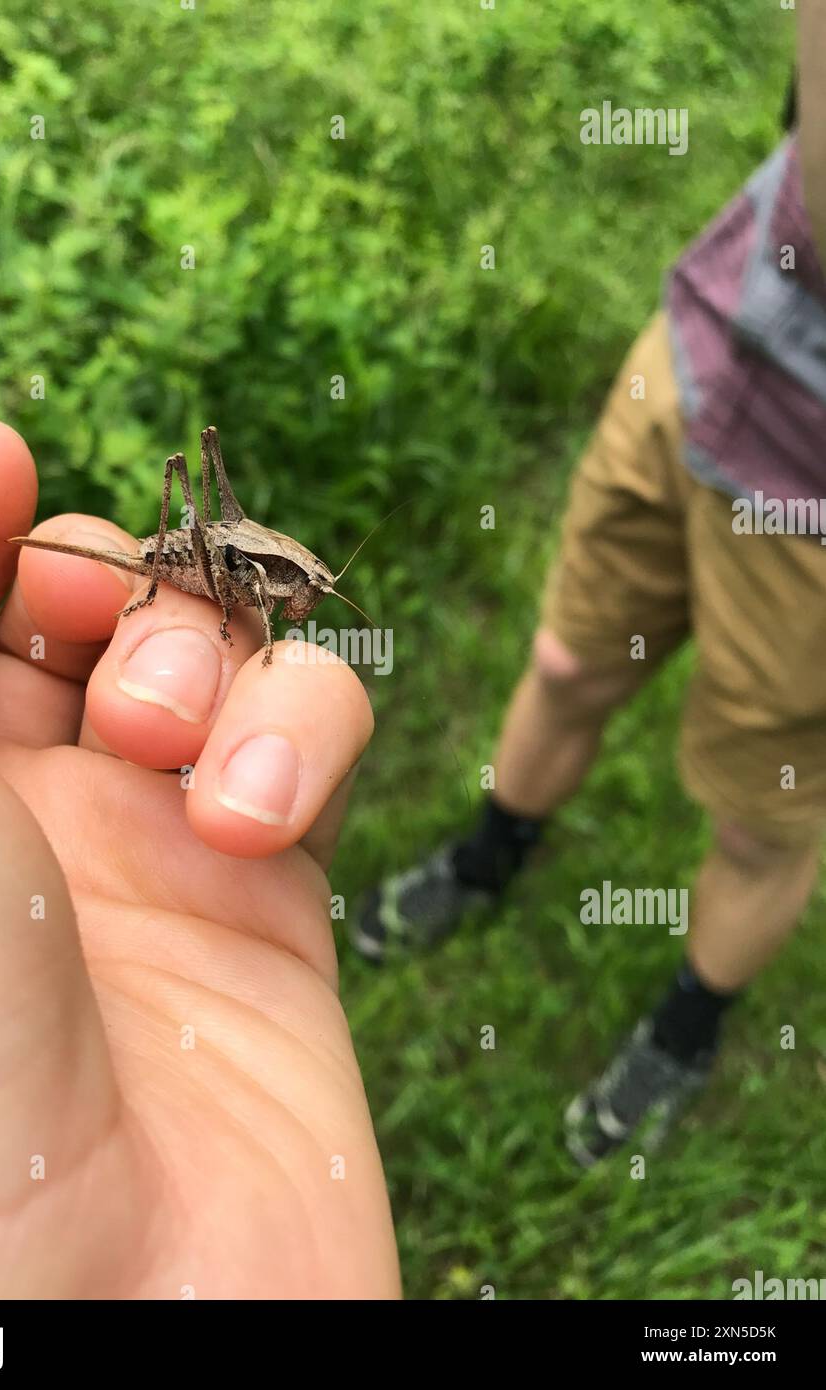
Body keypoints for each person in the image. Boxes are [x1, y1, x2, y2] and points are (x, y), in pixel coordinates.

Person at [353, 17, 826, 1165]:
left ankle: (684, 1027)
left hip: (811, 501)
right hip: (700, 344)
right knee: (565, 659)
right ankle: (487, 854)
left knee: (758, 818)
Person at [0, 420, 399, 1298]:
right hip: (196, 564)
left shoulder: (288, 579)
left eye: (313, 595)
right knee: (197, 471)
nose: (308, 602)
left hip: (221, 568)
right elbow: (242, 561)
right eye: (309, 593)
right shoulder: (250, 577)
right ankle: (179, 583)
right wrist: (212, 597)